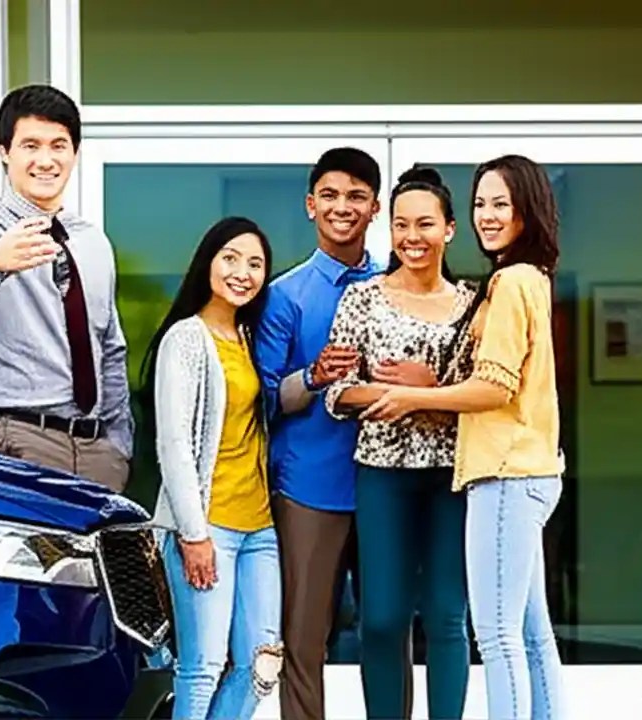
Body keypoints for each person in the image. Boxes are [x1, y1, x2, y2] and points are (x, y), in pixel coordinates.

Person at [361, 154, 566, 720]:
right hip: (534, 470)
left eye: (502, 203)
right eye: (482, 203)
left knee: (497, 637)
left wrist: (416, 397)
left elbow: (496, 385)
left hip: (503, 473)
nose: (489, 215)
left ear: (529, 207)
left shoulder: (508, 282)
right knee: (532, 635)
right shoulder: (534, 279)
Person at [323, 165, 476, 720]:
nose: (413, 237)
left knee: (446, 615)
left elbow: (485, 391)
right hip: (382, 471)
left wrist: (429, 391)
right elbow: (337, 392)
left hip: (452, 476)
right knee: (382, 616)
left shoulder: (472, 306)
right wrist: (389, 391)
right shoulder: (363, 298)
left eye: (426, 224)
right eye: (402, 224)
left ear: (450, 230)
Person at [0, 84, 133, 492]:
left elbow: (110, 347)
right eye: (30, 145)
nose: (46, 160)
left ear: (74, 153)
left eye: (59, 145)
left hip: (95, 451)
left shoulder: (91, 240)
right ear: (4, 151)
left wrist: (118, 446)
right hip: (17, 438)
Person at [253, 147, 381, 720]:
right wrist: (314, 376)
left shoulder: (395, 287)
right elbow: (266, 399)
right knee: (304, 639)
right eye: (329, 195)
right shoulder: (284, 295)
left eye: (356, 196)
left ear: (375, 207)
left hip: (387, 486)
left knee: (386, 632)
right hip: (307, 487)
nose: (342, 207)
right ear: (310, 205)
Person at [140, 216, 282, 720]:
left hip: (260, 526)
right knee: (202, 666)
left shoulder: (249, 338)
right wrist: (192, 533)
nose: (243, 272)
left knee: (261, 666)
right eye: (231, 258)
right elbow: (174, 443)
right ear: (208, 262)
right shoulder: (187, 338)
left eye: (256, 263)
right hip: (208, 524)